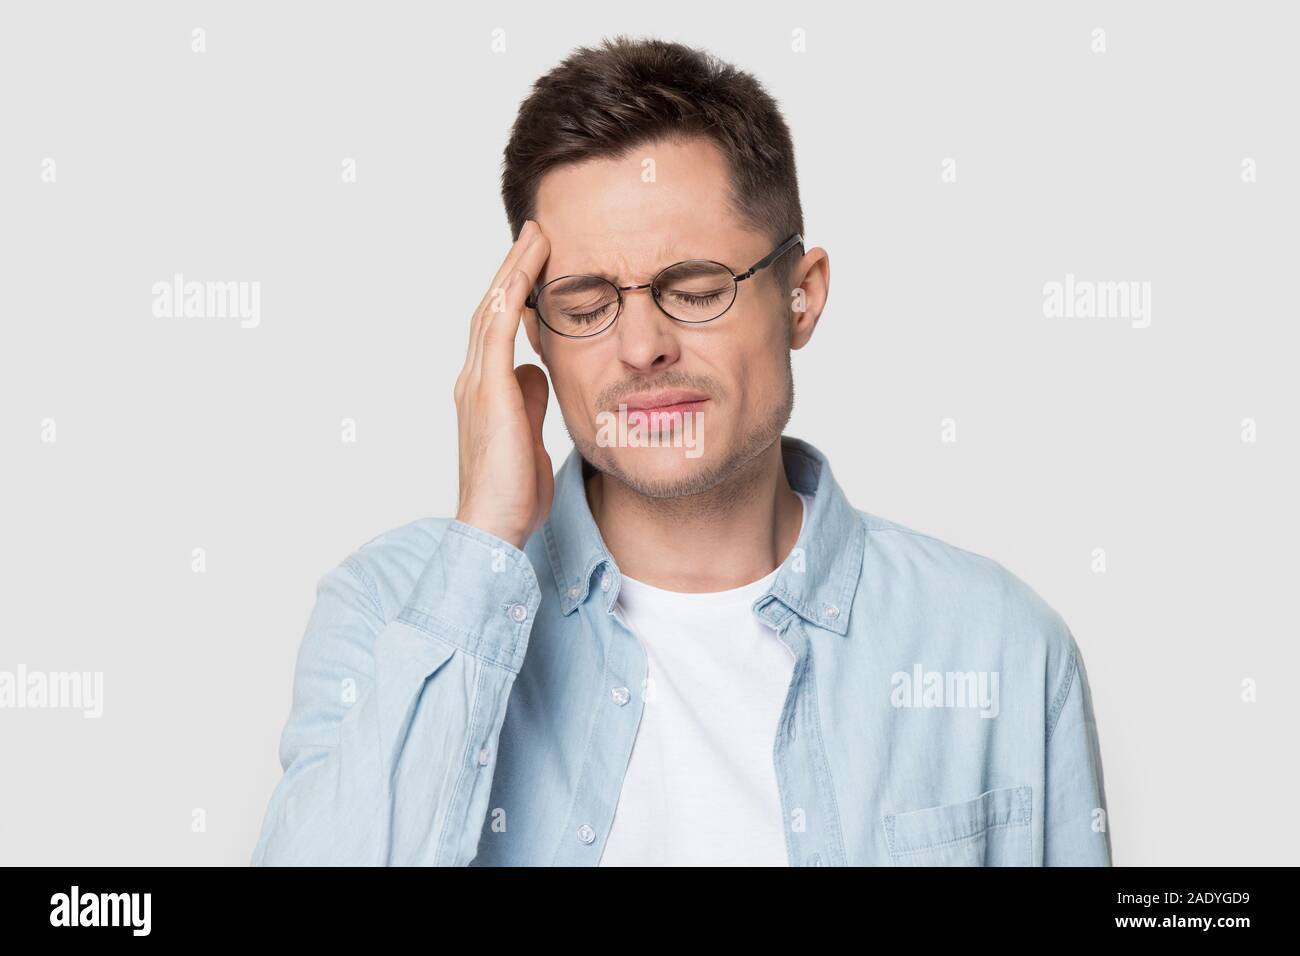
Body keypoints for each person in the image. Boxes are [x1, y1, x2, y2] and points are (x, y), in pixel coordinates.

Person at [251, 35, 1110, 866]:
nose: (641, 347)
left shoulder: (997, 646)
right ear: (529, 335)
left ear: (801, 298)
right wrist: (485, 538)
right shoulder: (395, 611)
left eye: (695, 290)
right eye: (585, 306)